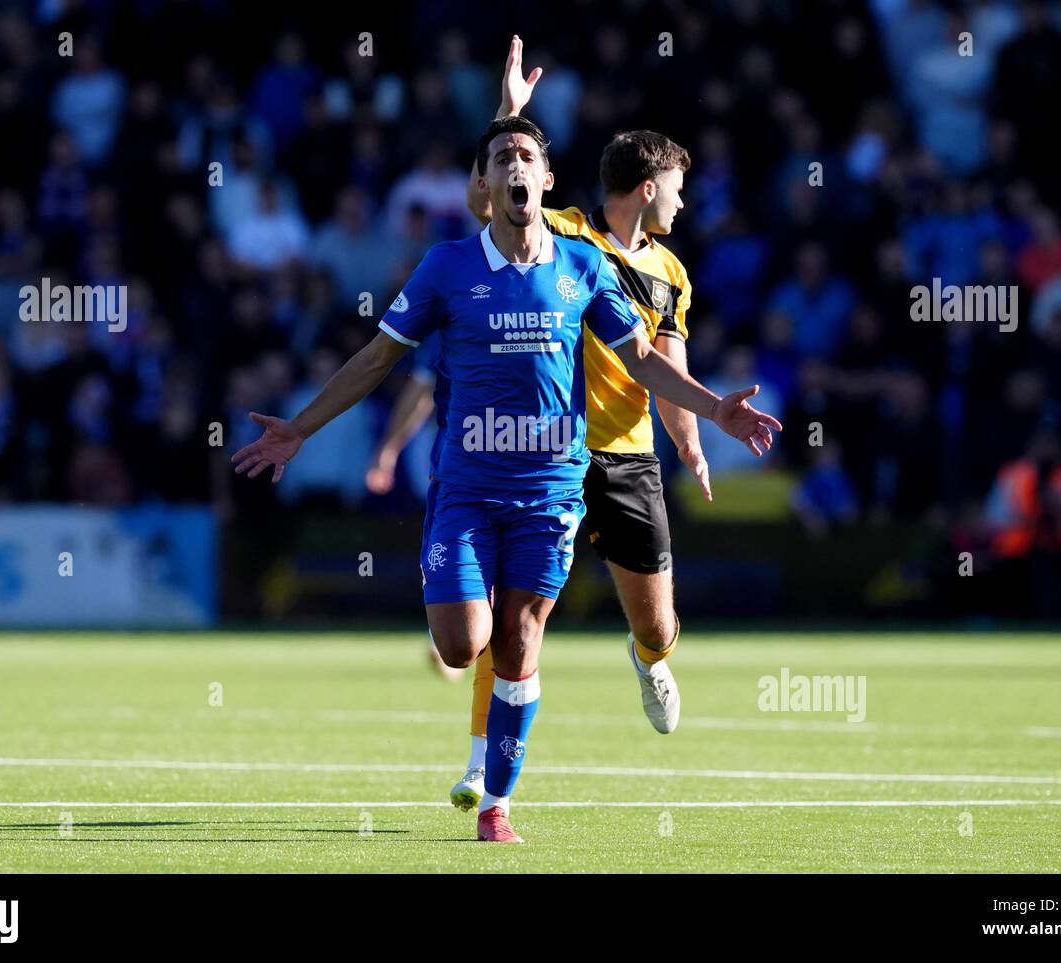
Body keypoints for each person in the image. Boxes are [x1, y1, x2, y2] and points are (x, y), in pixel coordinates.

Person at [233, 116, 781, 842]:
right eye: (501, 159)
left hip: (553, 489)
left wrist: (715, 411)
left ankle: (495, 804)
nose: (516, 166)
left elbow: (645, 360)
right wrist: (300, 428)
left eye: (528, 156)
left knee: (522, 642)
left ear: (546, 180)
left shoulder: (583, 269)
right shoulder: (446, 268)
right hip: (465, 488)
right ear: (485, 186)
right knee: (464, 645)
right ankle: (482, 751)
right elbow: (375, 359)